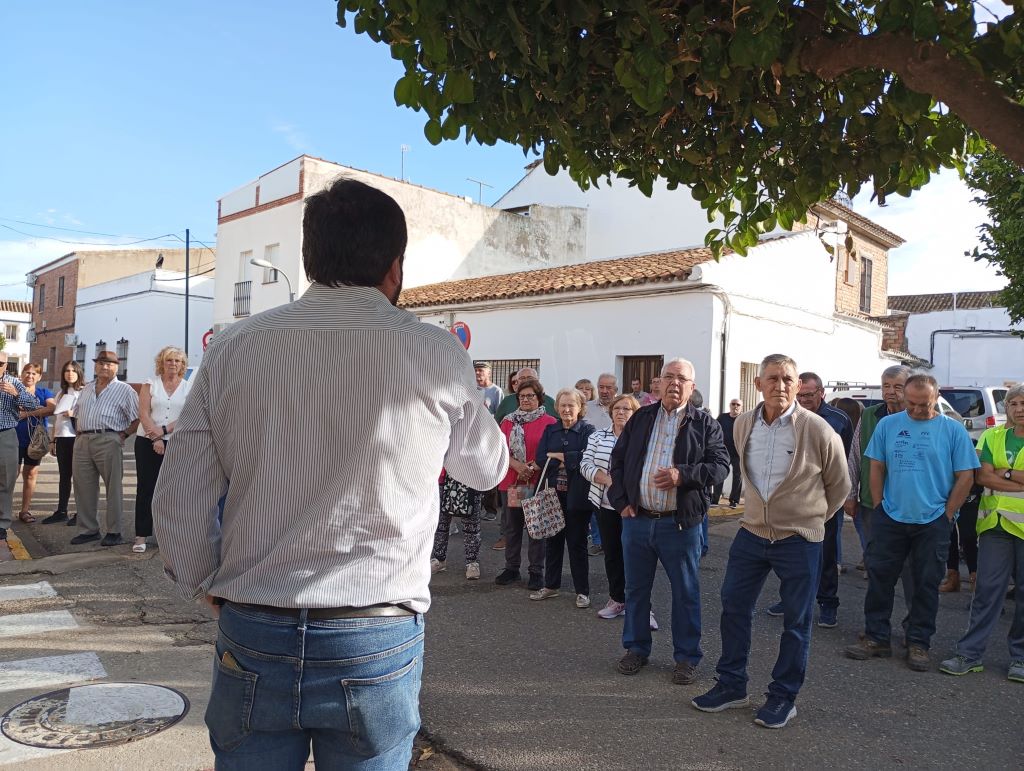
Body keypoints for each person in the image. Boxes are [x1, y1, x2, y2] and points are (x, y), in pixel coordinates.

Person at [153, 178, 508, 770]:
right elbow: (485, 467)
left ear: (309, 260)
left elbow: (182, 494)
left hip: (255, 626)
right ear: (395, 268)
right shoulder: (436, 352)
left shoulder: (235, 348)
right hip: (375, 636)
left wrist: (205, 585)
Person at [692, 354, 849, 730]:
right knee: (733, 607)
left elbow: (840, 486)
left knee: (796, 622)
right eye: (773, 378)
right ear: (759, 384)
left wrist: (808, 520)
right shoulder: (743, 423)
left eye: (788, 379)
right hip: (751, 533)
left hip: (799, 539)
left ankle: (783, 697)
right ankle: (732, 685)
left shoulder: (818, 429)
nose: (780, 385)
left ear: (798, 386)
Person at [844, 374, 978, 672]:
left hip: (933, 521)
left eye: (924, 405)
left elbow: (966, 476)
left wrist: (948, 514)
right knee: (880, 579)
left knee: (925, 584)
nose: (917, 410)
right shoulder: (888, 425)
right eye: (911, 404)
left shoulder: (952, 430)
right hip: (890, 517)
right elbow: (876, 465)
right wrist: (878, 506)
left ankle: (918, 642)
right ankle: (877, 638)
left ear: (936, 396)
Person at [610, 358, 729, 686]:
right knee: (635, 589)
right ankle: (637, 648)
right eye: (669, 377)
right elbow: (617, 460)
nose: (674, 383)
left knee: (685, 592)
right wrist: (621, 501)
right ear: (659, 383)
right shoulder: (642, 418)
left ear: (692, 387)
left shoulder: (706, 424)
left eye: (682, 379)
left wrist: (683, 475)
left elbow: (720, 467)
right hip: (637, 520)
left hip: (680, 524)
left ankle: (686, 658)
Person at [939, 384, 1024, 682]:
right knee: (986, 592)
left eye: (1023, 403)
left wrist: (1007, 473)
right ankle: (970, 653)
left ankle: (1021, 658)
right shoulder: (992, 435)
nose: (1018, 408)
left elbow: (993, 475)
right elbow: (981, 475)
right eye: (1013, 403)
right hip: (994, 525)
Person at [766, 372, 853, 627]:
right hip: (791, 501)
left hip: (825, 501)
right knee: (789, 554)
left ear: (822, 393)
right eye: (800, 395)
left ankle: (827, 604)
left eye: (809, 395)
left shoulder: (838, 420)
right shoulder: (785, 417)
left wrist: (840, 499)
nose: (803, 400)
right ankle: (790, 599)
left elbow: (846, 463)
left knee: (825, 555)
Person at [531, 388, 596, 607]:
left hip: (578, 495)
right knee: (553, 540)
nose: (567, 409)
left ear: (580, 408)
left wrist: (558, 456)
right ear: (557, 407)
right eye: (563, 405)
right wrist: (570, 459)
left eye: (572, 405)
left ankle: (582, 591)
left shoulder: (588, 430)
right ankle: (551, 586)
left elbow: (587, 457)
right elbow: (541, 457)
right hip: (553, 492)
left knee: (577, 543)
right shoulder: (551, 429)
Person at [70, 350, 140, 547]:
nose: (104, 367)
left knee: (113, 488)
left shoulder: (125, 390)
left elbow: (137, 418)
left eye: (109, 364)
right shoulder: (87, 388)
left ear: (117, 367)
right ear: (95, 366)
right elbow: (76, 413)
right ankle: (88, 530)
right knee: (83, 487)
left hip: (109, 438)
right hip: (83, 440)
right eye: (101, 363)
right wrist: (78, 434)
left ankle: (114, 531)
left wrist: (123, 435)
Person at [581, 393, 640, 619]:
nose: (621, 413)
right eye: (617, 409)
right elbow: (585, 463)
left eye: (626, 409)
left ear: (634, 414)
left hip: (634, 508)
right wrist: (604, 479)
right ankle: (617, 600)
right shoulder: (598, 437)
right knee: (613, 555)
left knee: (636, 557)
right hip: (605, 505)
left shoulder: (641, 438)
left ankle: (642, 606)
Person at [494, 377, 557, 590]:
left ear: (539, 398)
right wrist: (517, 466)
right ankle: (512, 568)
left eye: (531, 396)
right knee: (513, 527)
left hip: (538, 481)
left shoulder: (549, 422)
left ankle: (536, 571)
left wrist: (533, 466)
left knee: (535, 528)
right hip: (515, 481)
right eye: (522, 396)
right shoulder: (509, 421)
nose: (526, 399)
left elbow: (552, 450)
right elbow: (500, 450)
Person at [134, 346, 190, 553]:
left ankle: (170, 536)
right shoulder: (150, 384)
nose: (173, 364)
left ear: (182, 365)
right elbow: (143, 413)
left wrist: (164, 431)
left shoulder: (187, 388)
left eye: (177, 361)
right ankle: (141, 536)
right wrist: (155, 436)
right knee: (146, 488)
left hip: (175, 443)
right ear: (162, 363)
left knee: (173, 491)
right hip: (146, 442)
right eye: (169, 360)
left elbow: (186, 416)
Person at [0, 351, 40, 542]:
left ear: (6, 365)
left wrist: (16, 394)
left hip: (6, 434)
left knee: (6, 481)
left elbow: (33, 405)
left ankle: (2, 523)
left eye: (1, 363)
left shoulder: (14, 383)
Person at [41, 361, 85, 525]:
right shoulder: (61, 393)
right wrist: (53, 440)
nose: (70, 373)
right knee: (64, 476)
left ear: (79, 373)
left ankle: (82, 513)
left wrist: (73, 413)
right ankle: (61, 511)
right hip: (62, 438)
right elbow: (57, 418)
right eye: (67, 370)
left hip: (77, 438)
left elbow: (89, 413)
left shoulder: (84, 392)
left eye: (73, 370)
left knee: (80, 478)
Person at [14, 363, 56, 523]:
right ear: (21, 373)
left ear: (39, 377)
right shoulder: (14, 391)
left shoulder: (44, 392)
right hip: (15, 438)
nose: (30, 376)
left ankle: (24, 511)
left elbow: (52, 408)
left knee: (31, 474)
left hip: (36, 441)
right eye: (27, 372)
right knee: (11, 475)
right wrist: (39, 409)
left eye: (34, 374)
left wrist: (27, 413)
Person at [431, 471, 483, 580]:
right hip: (441, 478)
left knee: (471, 524)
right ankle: (438, 559)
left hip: (470, 479)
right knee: (440, 522)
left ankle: (472, 562)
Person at [473, 361, 503, 521]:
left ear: (489, 373)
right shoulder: (471, 389)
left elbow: (500, 415)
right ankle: (473, 506)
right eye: (476, 371)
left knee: (489, 472)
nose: (477, 374)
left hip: (489, 438)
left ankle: (490, 509)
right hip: (472, 438)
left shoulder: (496, 391)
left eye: (480, 371)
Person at [712, 398, 743, 509]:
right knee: (720, 474)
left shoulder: (743, 419)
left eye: (738, 404)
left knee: (737, 476)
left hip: (738, 452)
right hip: (723, 451)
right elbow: (714, 429)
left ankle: (734, 500)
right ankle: (715, 499)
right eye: (733, 404)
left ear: (741, 407)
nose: (735, 406)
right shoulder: (722, 417)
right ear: (729, 405)